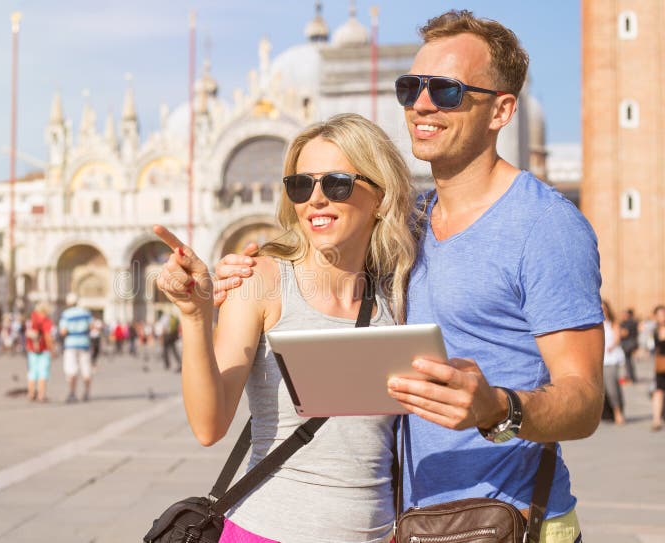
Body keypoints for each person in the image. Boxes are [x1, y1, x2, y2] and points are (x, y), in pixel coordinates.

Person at [214, 11, 603, 542]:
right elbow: (318, 250)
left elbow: (584, 401)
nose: (421, 104)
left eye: (446, 91)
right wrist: (236, 276)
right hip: (415, 525)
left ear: (502, 110)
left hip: (510, 522)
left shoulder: (545, 226)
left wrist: (499, 409)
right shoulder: (407, 224)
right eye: (410, 87)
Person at [155, 113, 418, 543]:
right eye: (301, 185)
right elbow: (209, 425)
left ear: (380, 195)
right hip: (268, 530)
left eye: (335, 183)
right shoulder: (262, 281)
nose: (315, 199)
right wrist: (195, 316)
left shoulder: (401, 292)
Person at [59, 292, 93, 403]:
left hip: (71, 344)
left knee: (71, 369)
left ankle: (72, 393)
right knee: (86, 368)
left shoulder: (66, 314)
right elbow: (92, 327)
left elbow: (63, 331)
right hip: (84, 343)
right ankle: (87, 393)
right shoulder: (86, 313)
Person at [601, 300, 626, 425]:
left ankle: (618, 413)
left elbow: (617, 338)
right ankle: (606, 414)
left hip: (610, 360)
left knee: (612, 388)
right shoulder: (596, 324)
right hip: (599, 361)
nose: (602, 311)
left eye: (604, 309)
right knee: (602, 390)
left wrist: (611, 346)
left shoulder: (613, 324)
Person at [25, 302, 55, 402]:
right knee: (43, 372)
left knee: (32, 372)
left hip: (31, 348)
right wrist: (52, 350)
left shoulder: (32, 318)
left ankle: (31, 393)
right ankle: (41, 395)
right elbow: (47, 336)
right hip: (43, 349)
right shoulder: (46, 321)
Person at [651, 305, 665, 431]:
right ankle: (656, 420)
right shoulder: (655, 330)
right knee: (659, 391)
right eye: (660, 315)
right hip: (662, 365)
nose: (663, 317)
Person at [619, 308, 638, 382]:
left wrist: (618, 333)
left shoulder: (628, 323)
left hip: (628, 344)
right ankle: (631, 377)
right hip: (631, 343)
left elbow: (625, 333)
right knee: (629, 362)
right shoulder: (633, 321)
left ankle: (631, 378)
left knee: (628, 362)